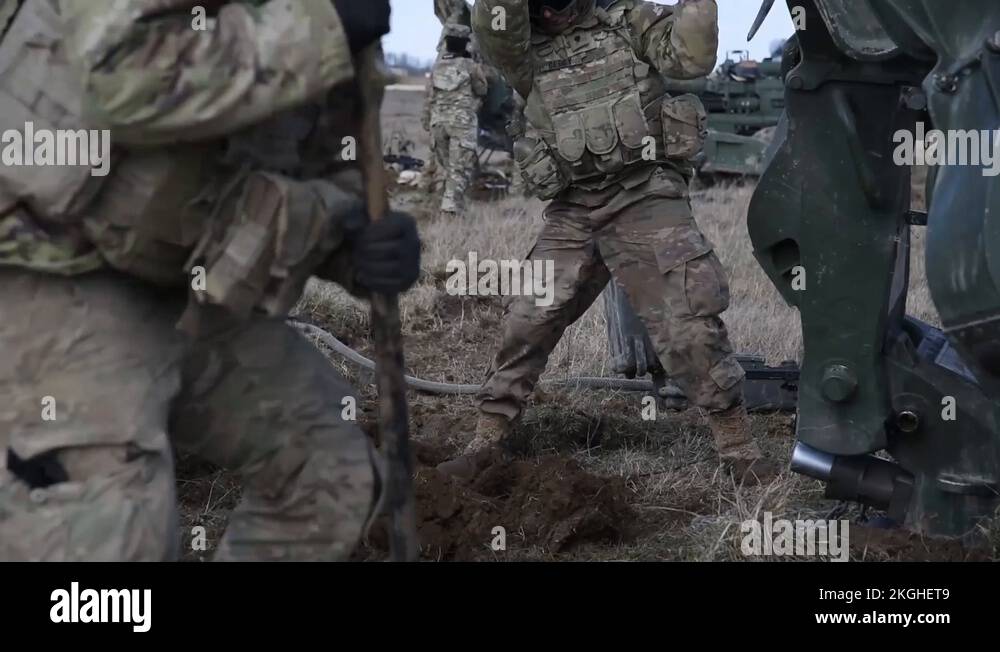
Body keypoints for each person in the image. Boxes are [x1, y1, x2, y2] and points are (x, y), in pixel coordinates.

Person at [0, 0, 420, 561]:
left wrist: (357, 246)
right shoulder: (323, 19)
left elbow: (326, 162)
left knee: (330, 477)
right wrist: (320, 29)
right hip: (49, 274)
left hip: (185, 289)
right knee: (110, 544)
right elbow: (123, 77)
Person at [438, 0, 778, 483]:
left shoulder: (629, 18)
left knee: (687, 324)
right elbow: (495, 23)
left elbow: (692, 60)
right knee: (528, 320)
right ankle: (487, 438)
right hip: (573, 208)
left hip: (644, 195)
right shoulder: (519, 46)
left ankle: (737, 445)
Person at [422, 22, 488, 217]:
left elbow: (428, 97)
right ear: (465, 43)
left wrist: (426, 121)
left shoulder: (436, 67)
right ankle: (450, 211)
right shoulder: (470, 66)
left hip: (438, 123)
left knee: (449, 167)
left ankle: (451, 205)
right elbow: (482, 90)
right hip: (461, 123)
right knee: (458, 169)